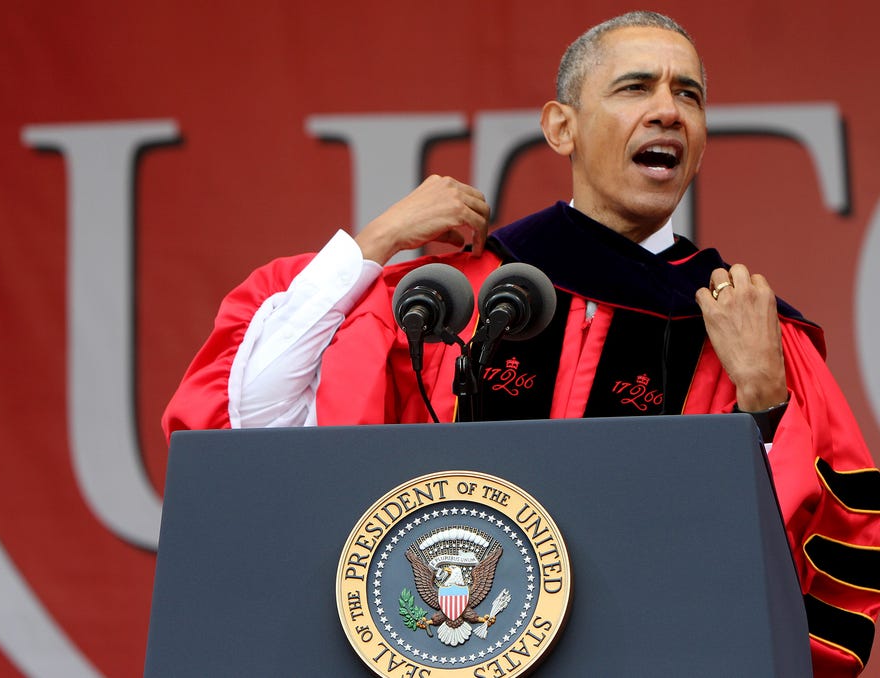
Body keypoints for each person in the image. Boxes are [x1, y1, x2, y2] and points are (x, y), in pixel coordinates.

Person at [163, 11, 879, 675]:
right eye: (636, 87)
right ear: (561, 127)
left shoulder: (746, 331)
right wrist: (375, 243)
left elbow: (813, 584)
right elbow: (255, 428)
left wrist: (764, 404)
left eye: (688, 95)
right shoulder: (452, 296)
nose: (668, 109)